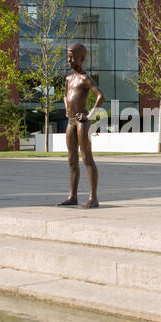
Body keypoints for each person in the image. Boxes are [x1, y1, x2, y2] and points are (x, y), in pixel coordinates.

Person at [59, 42, 103, 208]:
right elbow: (65, 96)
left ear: (81, 59)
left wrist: (89, 115)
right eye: (68, 58)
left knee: (86, 158)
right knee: (72, 159)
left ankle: (93, 198)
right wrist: (66, 108)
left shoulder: (85, 78)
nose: (69, 61)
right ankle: (73, 196)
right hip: (70, 121)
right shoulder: (68, 79)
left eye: (72, 58)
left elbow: (100, 96)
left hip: (81, 123)